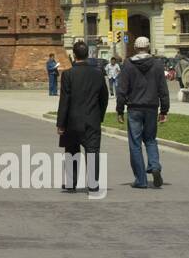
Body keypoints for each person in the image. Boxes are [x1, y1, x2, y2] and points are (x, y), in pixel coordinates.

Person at [115, 36, 169, 189]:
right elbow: (163, 90)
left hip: (134, 108)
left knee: (135, 144)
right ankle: (155, 165)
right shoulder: (157, 64)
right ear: (149, 47)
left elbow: (122, 89)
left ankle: (141, 180)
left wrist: (120, 110)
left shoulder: (128, 65)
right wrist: (164, 110)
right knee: (151, 140)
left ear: (135, 47)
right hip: (152, 107)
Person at [56, 40, 107, 193]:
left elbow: (64, 100)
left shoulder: (68, 74)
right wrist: (99, 116)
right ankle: (93, 184)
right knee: (92, 151)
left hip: (72, 120)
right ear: (87, 55)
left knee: (71, 151)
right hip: (92, 119)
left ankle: (71, 183)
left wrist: (60, 123)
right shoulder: (98, 73)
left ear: (73, 55)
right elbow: (103, 98)